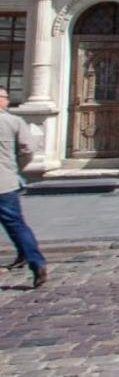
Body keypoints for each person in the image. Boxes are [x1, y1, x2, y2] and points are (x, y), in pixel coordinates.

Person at [0, 87, 47, 289]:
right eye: (5, 98)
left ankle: (25, 256)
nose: (7, 101)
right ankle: (36, 263)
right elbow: (28, 148)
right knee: (15, 224)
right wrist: (14, 168)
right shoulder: (13, 121)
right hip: (5, 182)